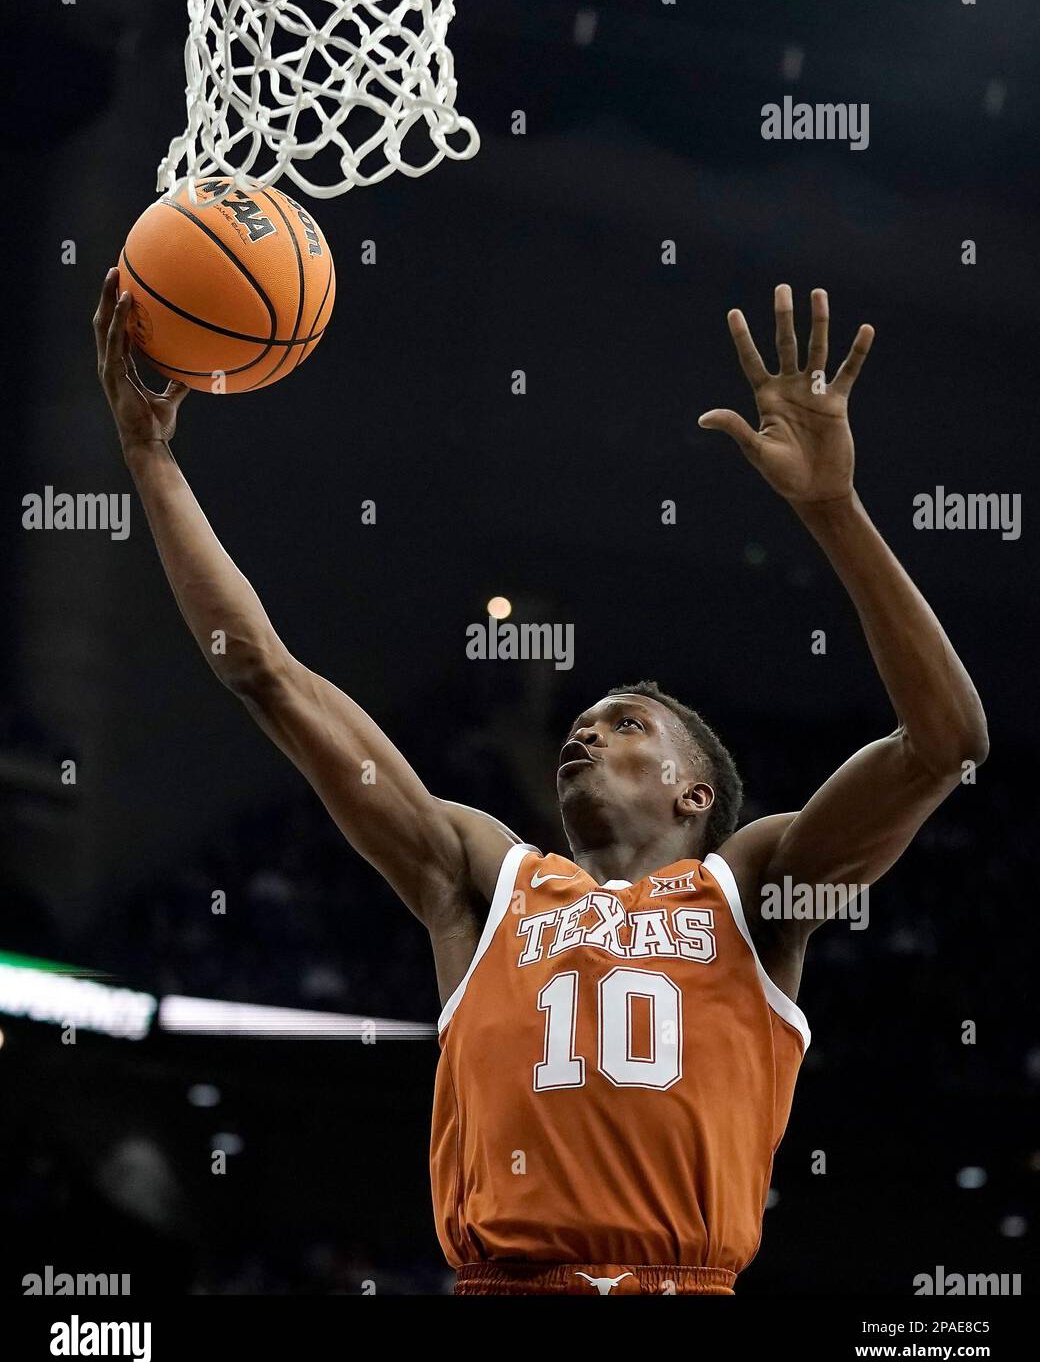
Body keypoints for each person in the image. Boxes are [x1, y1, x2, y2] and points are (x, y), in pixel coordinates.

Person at [95, 273, 987, 1295]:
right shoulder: (484, 877)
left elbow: (943, 745)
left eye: (624, 725)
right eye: (580, 722)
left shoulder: (752, 891)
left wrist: (832, 510)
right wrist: (149, 456)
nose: (584, 732)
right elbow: (263, 669)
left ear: (695, 794)